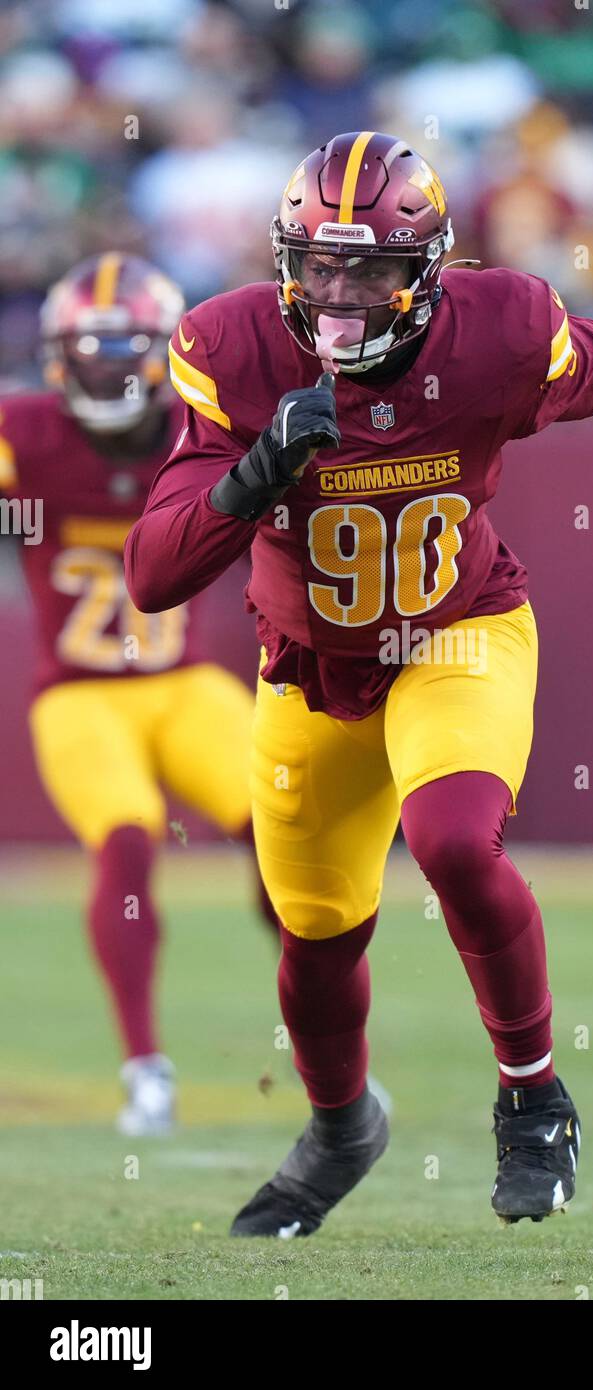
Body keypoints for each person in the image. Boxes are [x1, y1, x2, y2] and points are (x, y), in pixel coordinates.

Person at [124, 132, 593, 1232]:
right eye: (318, 265)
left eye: (371, 270)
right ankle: (341, 1126)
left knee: (446, 839)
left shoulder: (499, 335)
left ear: (426, 272)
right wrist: (253, 477)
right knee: (316, 935)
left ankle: (533, 1098)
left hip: (457, 632)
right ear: (284, 260)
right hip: (307, 671)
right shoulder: (234, 347)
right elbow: (153, 575)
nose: (337, 294)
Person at [0, 253, 280, 1137]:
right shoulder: (22, 432)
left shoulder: (202, 430)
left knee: (285, 838)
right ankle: (144, 1068)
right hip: (80, 694)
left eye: (126, 348)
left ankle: (329, 1061)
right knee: (125, 844)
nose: (109, 366)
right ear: (55, 356)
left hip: (184, 682)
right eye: (90, 349)